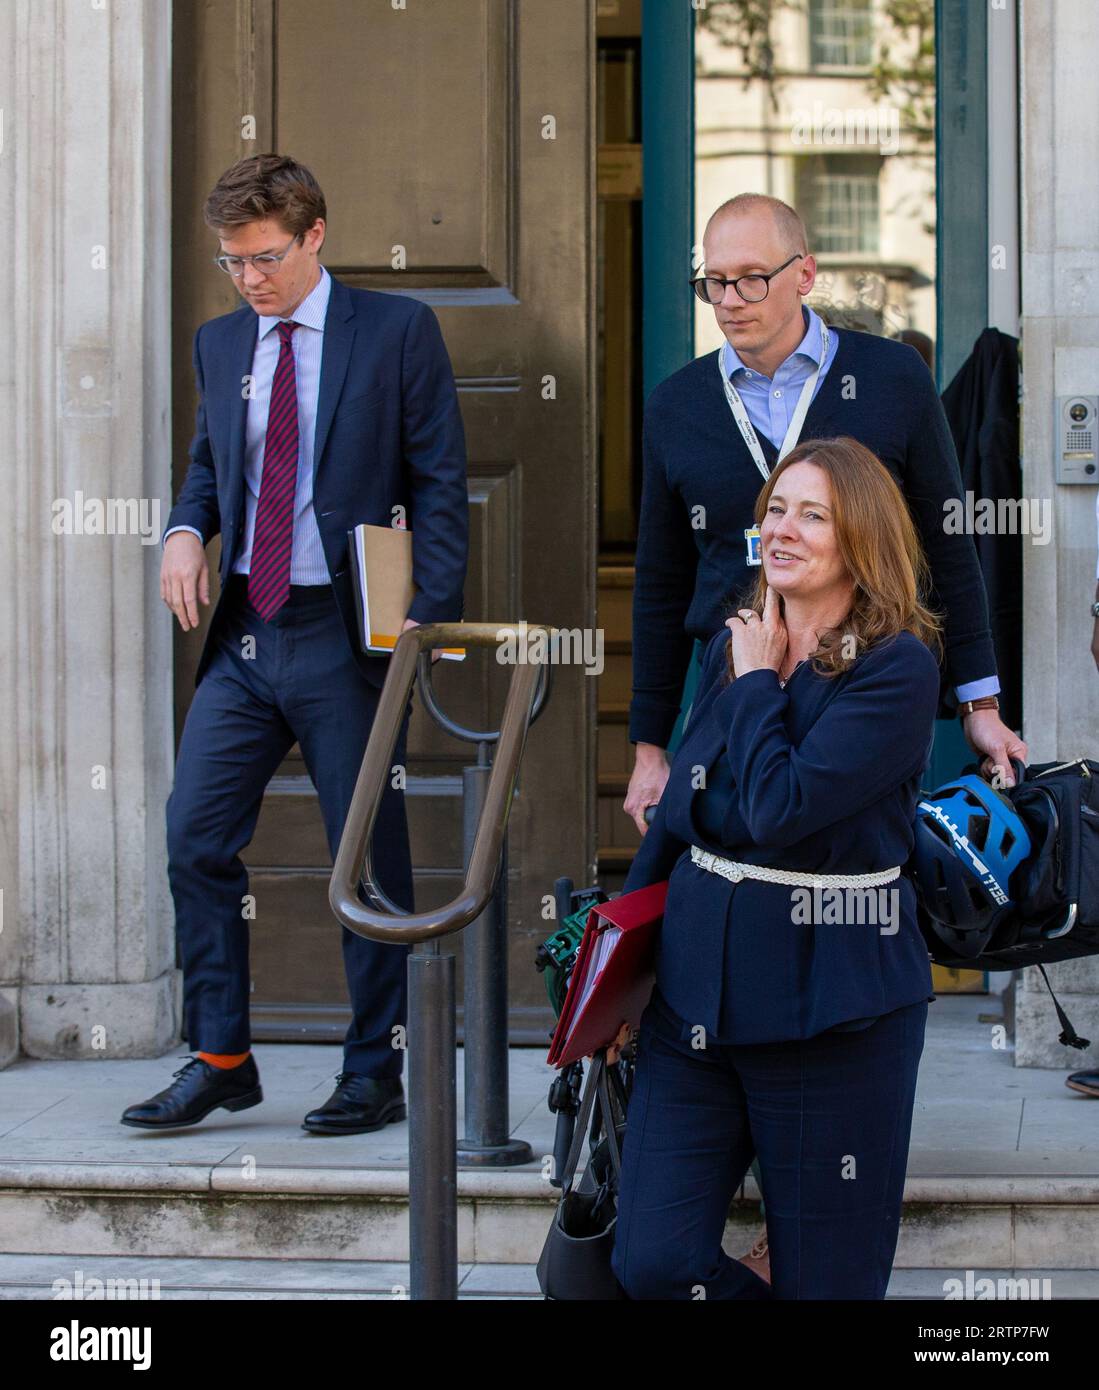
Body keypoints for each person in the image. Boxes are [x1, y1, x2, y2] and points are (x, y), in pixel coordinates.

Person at [623, 192, 1028, 1276]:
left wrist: (978, 699)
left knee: (808, 854)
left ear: (805, 274)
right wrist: (651, 745)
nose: (732, 301)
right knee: (727, 863)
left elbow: (947, 537)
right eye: (714, 282)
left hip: (850, 681)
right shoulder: (677, 405)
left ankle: (802, 1195)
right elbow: (663, 581)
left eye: (752, 279)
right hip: (736, 671)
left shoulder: (887, 381)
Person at [121, 154, 468, 1134]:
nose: (248, 279)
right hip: (247, 633)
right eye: (231, 262)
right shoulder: (220, 342)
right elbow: (206, 468)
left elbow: (439, 482)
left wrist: (426, 627)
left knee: (363, 858)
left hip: (346, 633)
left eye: (263, 257)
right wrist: (186, 530)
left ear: (315, 235)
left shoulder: (396, 331)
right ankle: (222, 1054)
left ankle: (376, 1067)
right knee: (194, 834)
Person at [610, 437, 943, 1300]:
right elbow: (681, 807)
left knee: (829, 1280)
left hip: (830, 1010)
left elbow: (780, 809)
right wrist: (615, 970)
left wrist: (759, 683)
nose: (780, 529)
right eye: (774, 509)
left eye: (812, 514)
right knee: (652, 1262)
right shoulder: (739, 639)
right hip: (692, 1004)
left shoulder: (895, 667)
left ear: (860, 538)